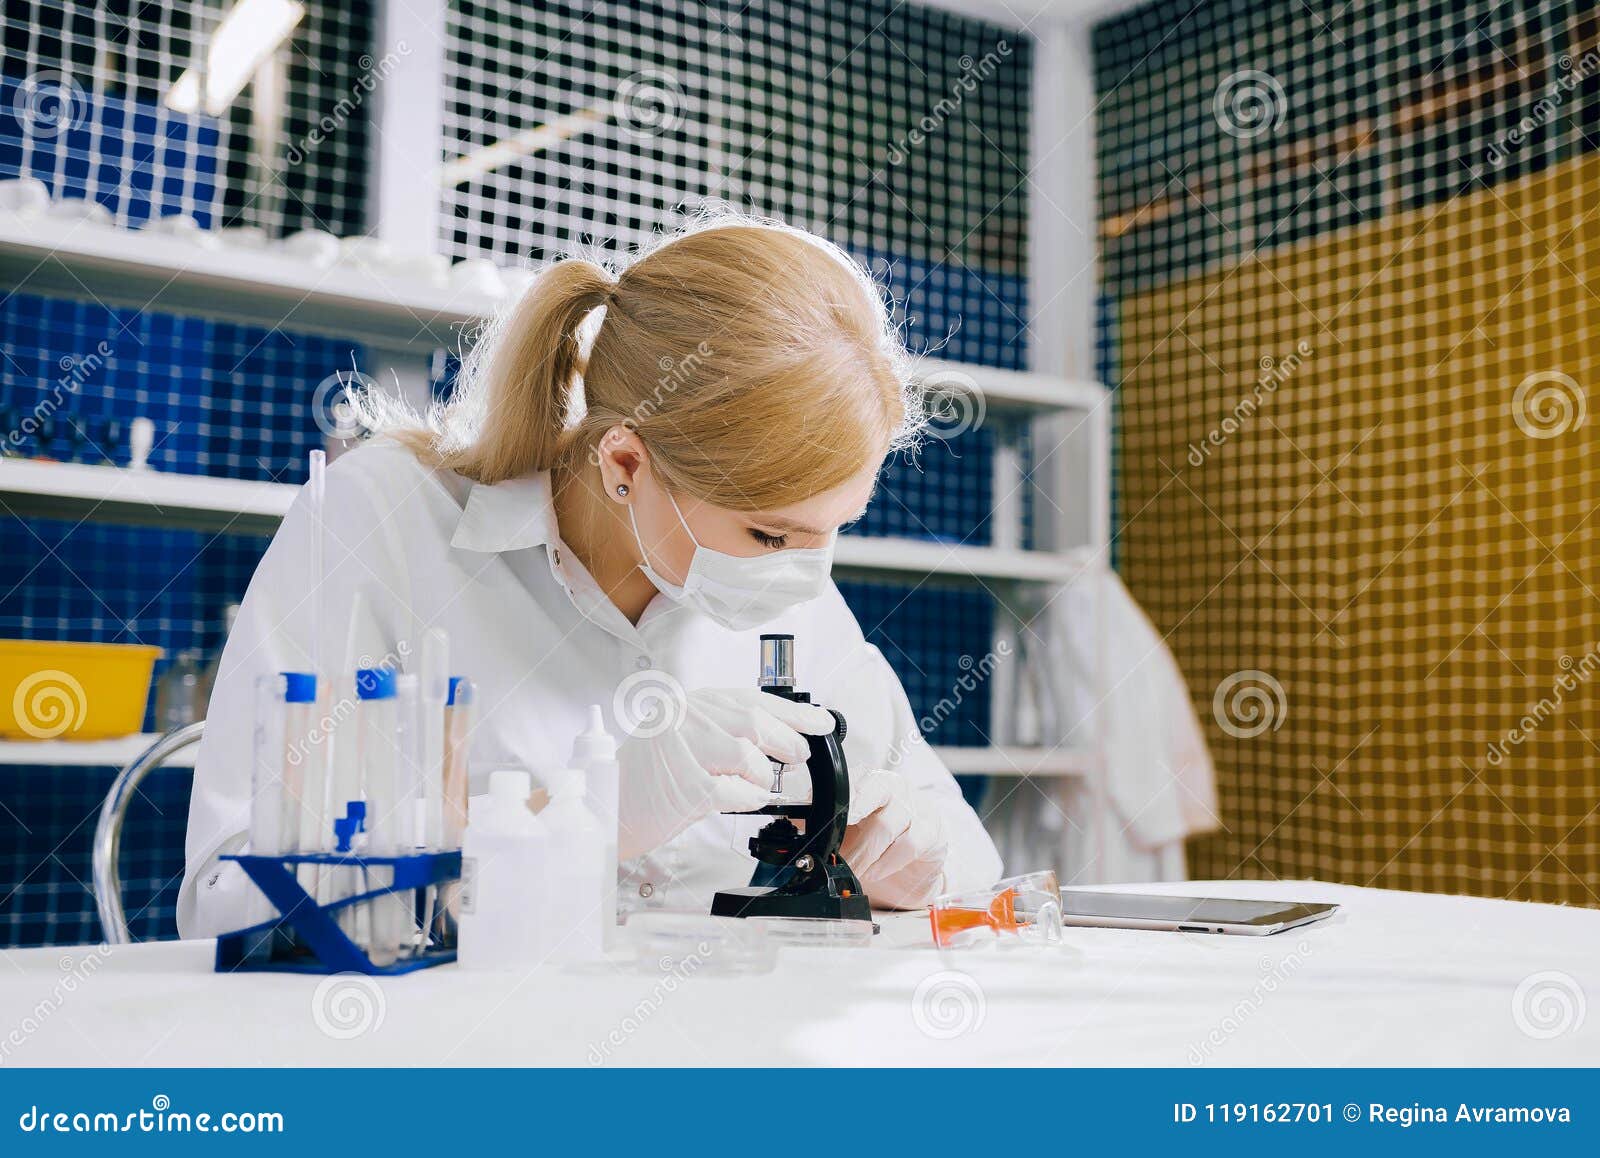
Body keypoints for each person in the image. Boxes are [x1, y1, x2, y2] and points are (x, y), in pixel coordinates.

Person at [178, 216, 1003, 938]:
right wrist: (572, 822)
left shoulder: (783, 580)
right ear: (625, 462)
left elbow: (968, 856)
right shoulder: (382, 527)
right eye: (771, 530)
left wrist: (912, 857)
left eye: (832, 532)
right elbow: (228, 902)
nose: (805, 571)